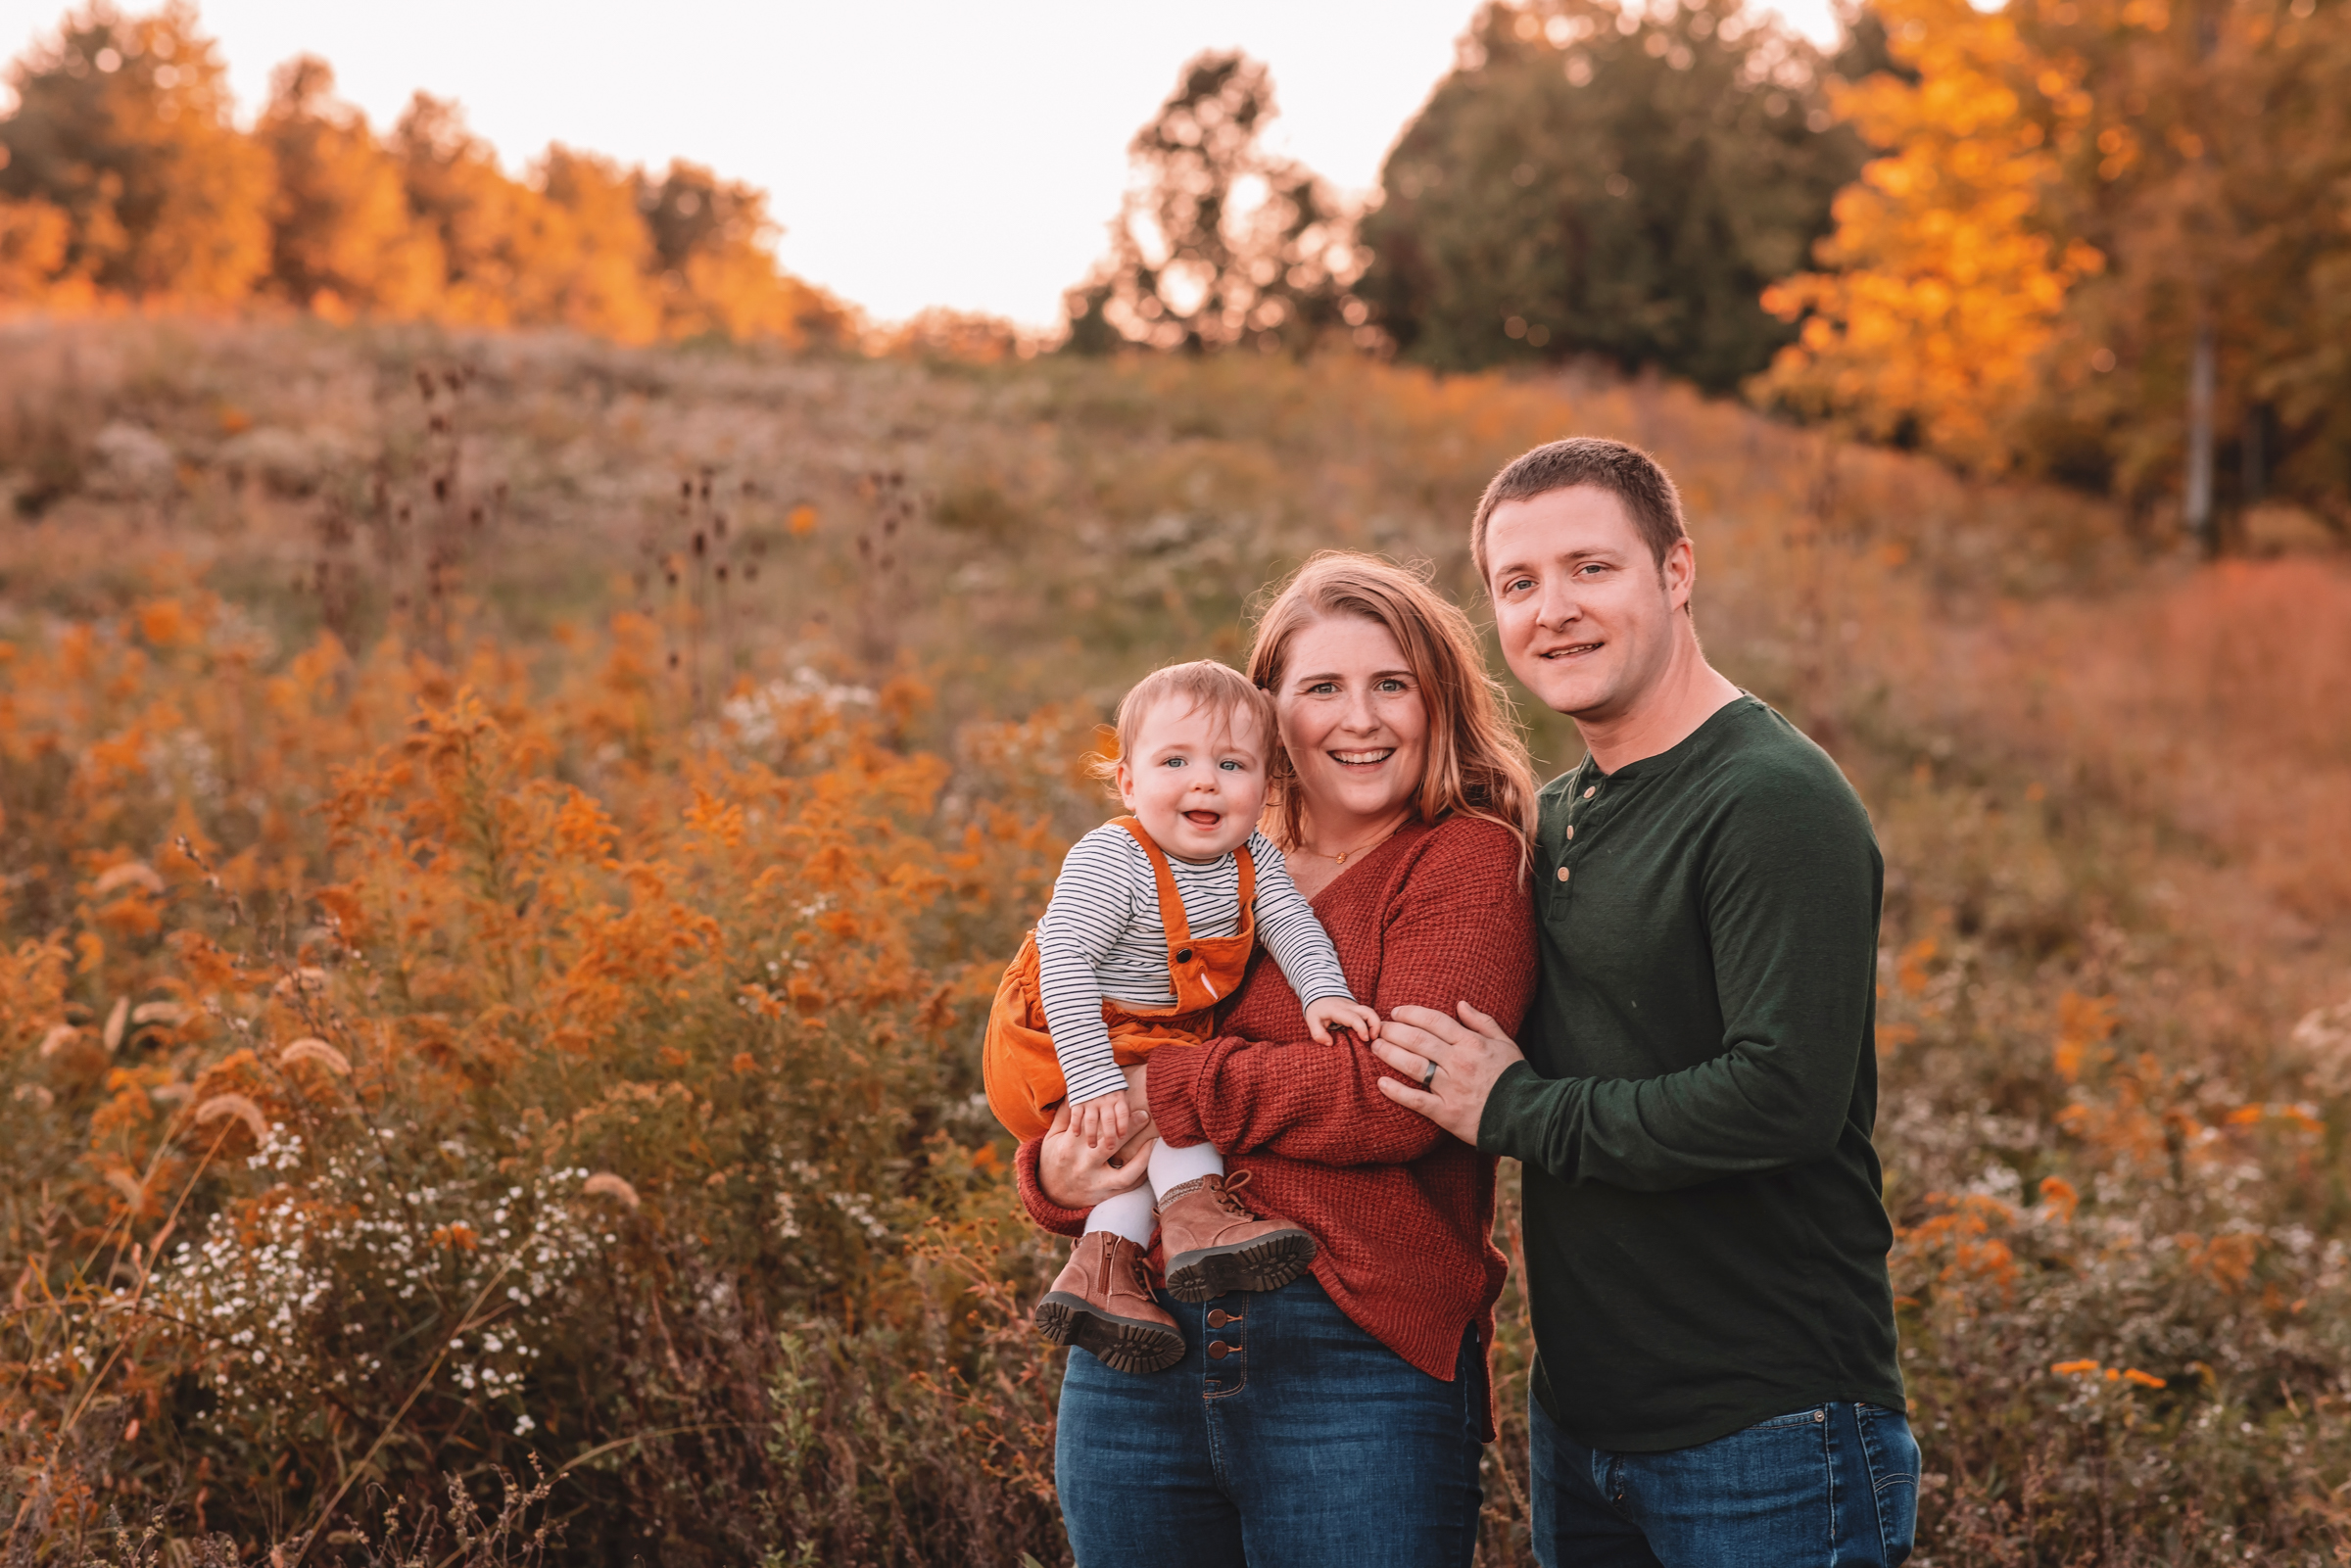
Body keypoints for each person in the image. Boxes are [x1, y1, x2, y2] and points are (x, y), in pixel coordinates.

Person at [1370, 438, 1920, 1567]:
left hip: (1768, 1426)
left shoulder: (1771, 800)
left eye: (1591, 568)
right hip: (1587, 1425)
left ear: (1677, 571)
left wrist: (1512, 1108)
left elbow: (1780, 1097)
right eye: (1518, 584)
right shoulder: (1556, 814)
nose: (1553, 610)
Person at [1016, 552, 1538, 1568]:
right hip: (1137, 1339)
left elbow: (1393, 1098)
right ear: (1266, 716)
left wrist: (1164, 1093)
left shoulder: (1465, 860)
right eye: (1323, 689)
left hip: (1351, 1354)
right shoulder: (1184, 848)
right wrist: (1054, 1170)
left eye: (1394, 684)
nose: (1361, 718)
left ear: (1439, 704)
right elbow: (1074, 1038)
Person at [982, 659, 1382, 1373]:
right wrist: (1094, 1076)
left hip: (1143, 1034)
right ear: (1129, 781)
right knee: (1175, 1097)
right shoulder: (1113, 856)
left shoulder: (1252, 857)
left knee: (1158, 1106)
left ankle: (1103, 1272)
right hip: (1060, 1035)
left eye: (1232, 764)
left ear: (1264, 787)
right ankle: (1199, 1215)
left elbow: (1290, 926)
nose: (1205, 781)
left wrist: (1322, 992)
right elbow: (1067, 961)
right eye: (1176, 761)